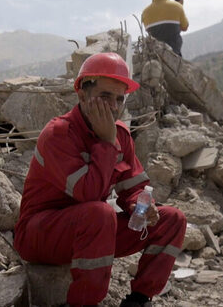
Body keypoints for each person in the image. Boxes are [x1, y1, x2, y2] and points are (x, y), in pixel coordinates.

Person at [14, 53, 187, 307]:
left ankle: (138, 299)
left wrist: (141, 206)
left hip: (90, 232)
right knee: (100, 213)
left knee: (172, 219)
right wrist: (106, 143)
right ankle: (85, 303)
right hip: (40, 235)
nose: (113, 106)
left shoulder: (120, 135)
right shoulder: (59, 134)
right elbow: (88, 194)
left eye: (119, 98)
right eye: (105, 96)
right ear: (82, 94)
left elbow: (133, 185)